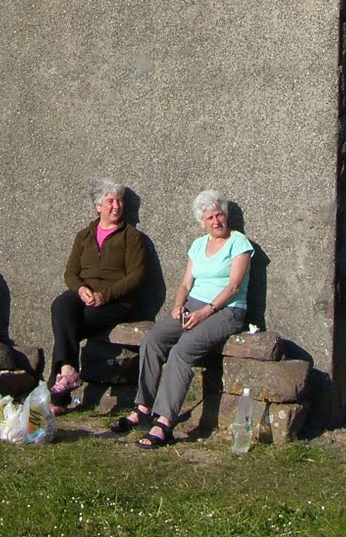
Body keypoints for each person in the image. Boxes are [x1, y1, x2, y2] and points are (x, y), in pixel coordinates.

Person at [102, 190, 251, 449]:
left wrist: (206, 312)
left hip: (227, 310)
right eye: (210, 218)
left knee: (182, 351)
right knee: (153, 339)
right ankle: (143, 407)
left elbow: (234, 286)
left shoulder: (239, 242)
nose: (216, 221)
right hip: (192, 305)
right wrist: (178, 304)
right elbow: (185, 283)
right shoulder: (198, 245)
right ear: (202, 222)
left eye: (219, 215)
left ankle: (165, 423)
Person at [49, 180, 146, 407]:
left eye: (119, 201)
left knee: (70, 325)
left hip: (116, 301)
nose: (116, 206)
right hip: (85, 296)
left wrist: (105, 295)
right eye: (110, 201)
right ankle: (68, 371)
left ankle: (57, 397)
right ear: (97, 206)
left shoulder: (131, 237)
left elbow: (136, 276)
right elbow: (71, 272)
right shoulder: (84, 235)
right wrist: (81, 289)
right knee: (61, 306)